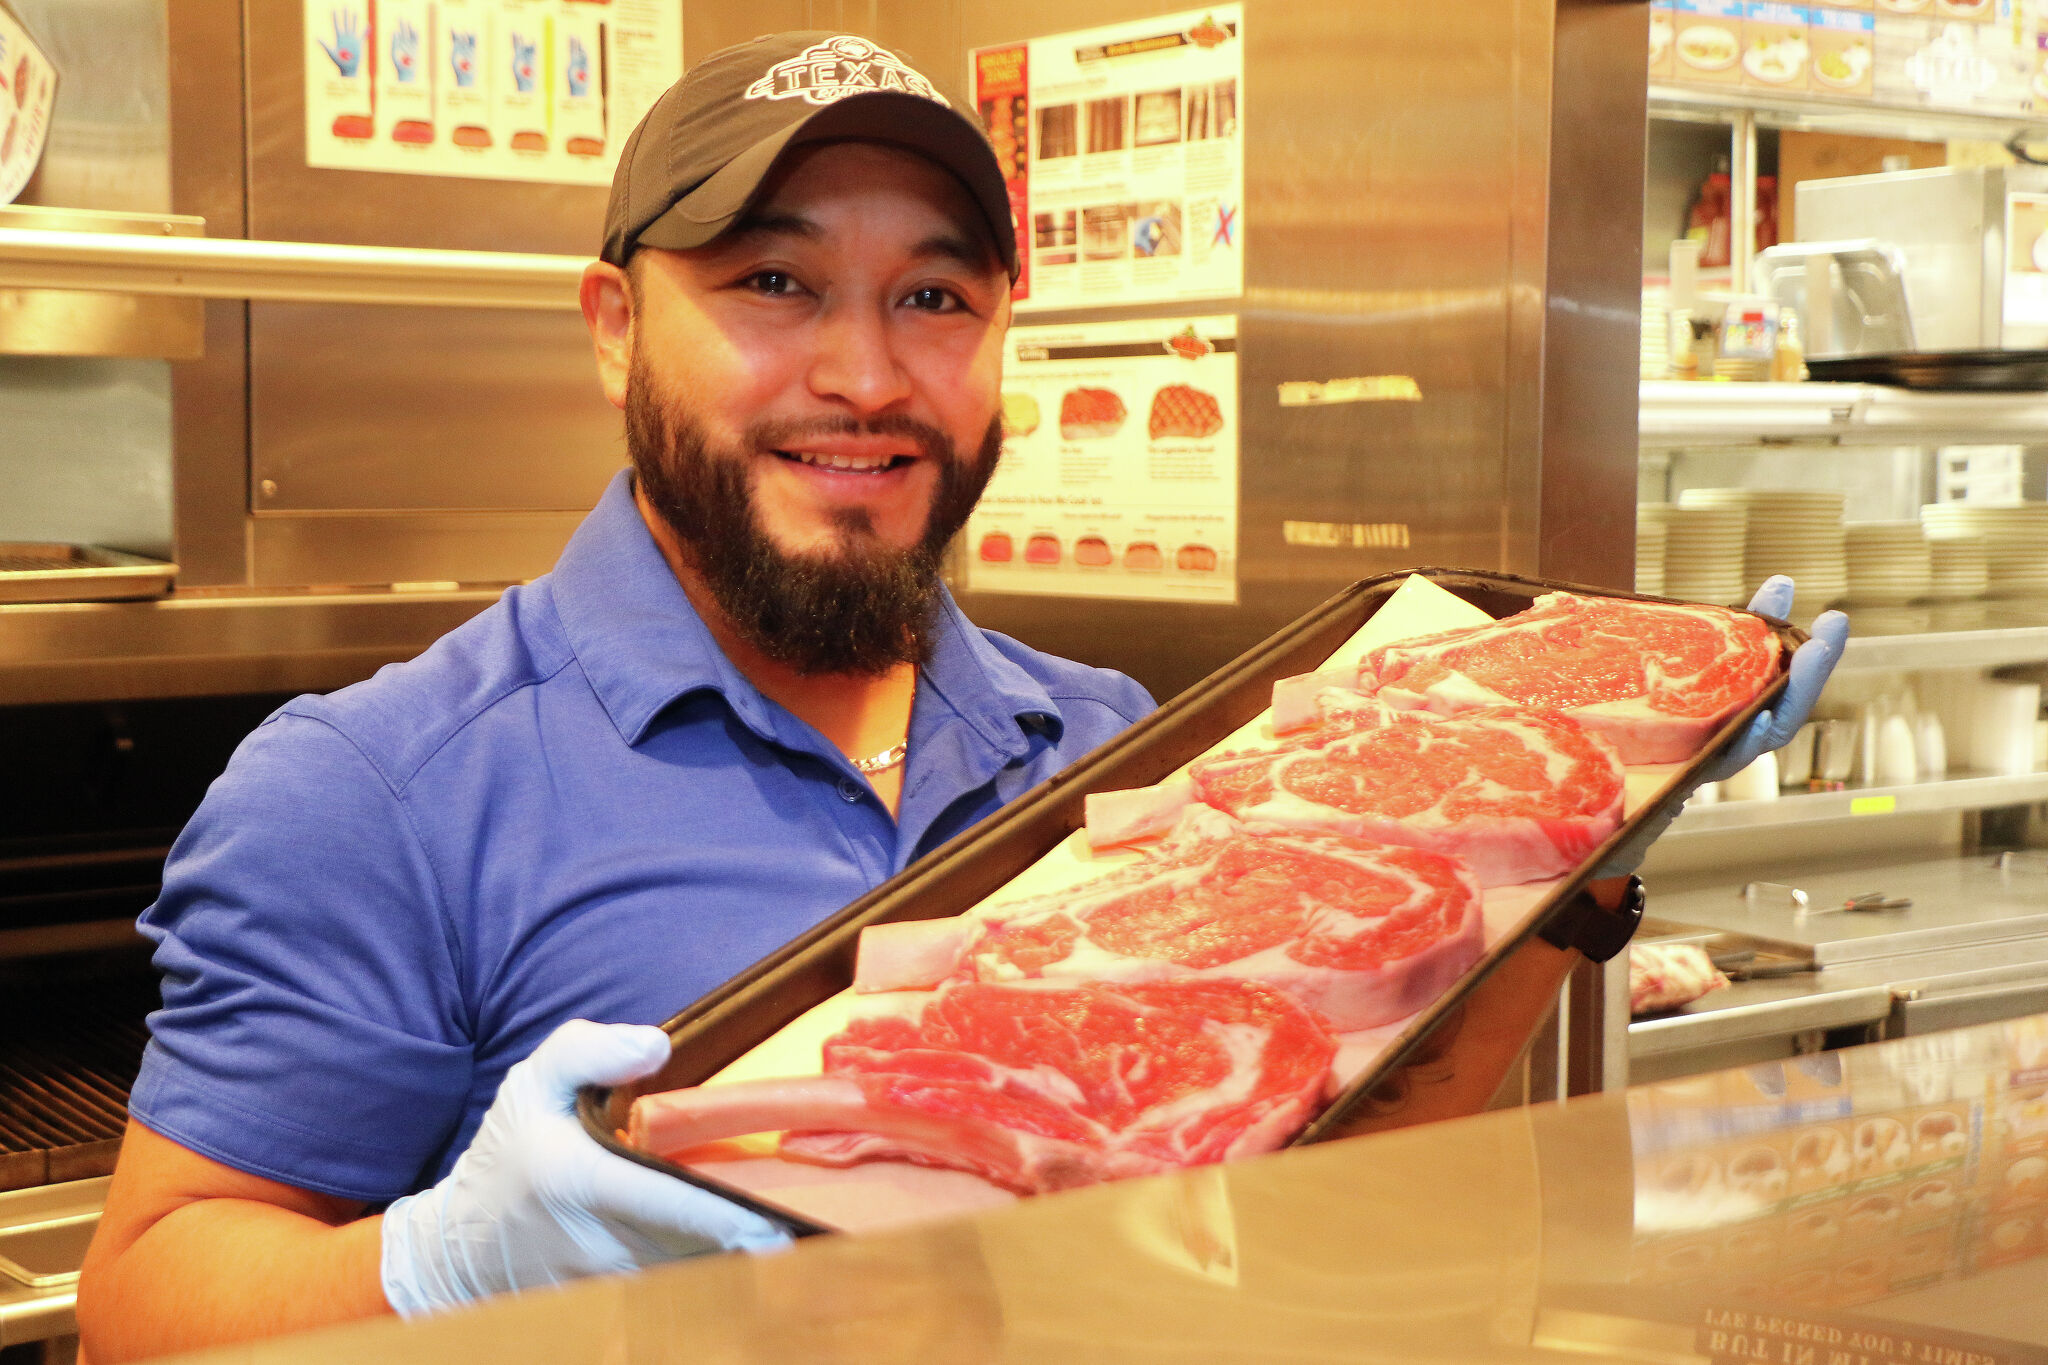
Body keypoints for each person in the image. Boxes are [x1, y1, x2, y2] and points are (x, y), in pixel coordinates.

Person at [75, 30, 1848, 1362]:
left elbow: (1303, 1168)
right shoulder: (379, 786)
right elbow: (149, 1305)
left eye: (934, 294)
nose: (864, 374)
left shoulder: (1115, 753)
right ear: (616, 324)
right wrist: (442, 1265)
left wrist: (1569, 862)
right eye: (773, 283)